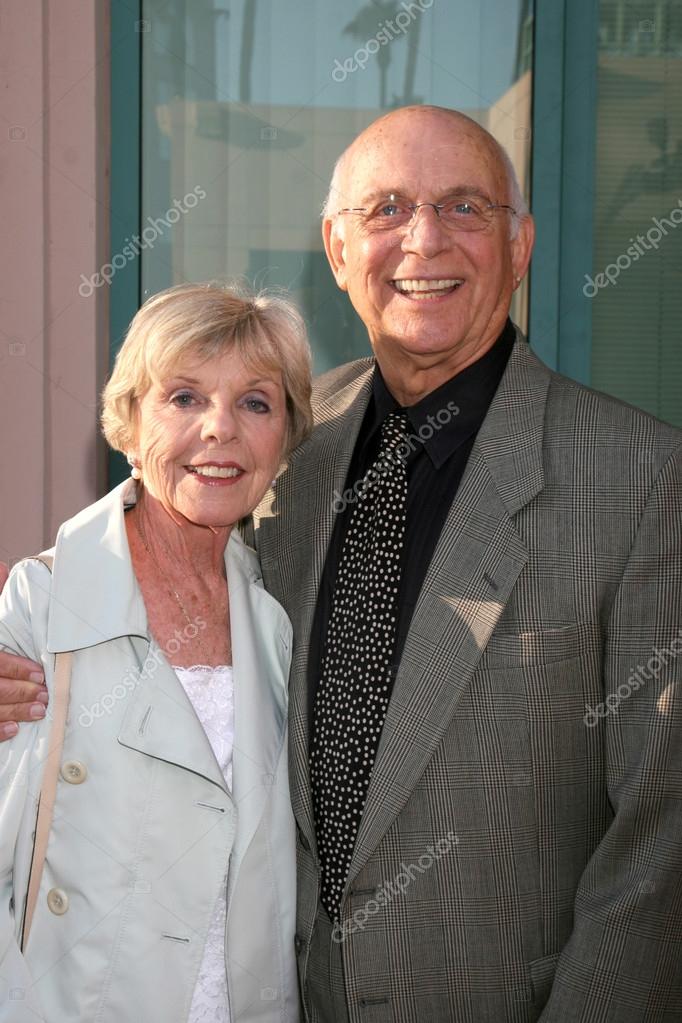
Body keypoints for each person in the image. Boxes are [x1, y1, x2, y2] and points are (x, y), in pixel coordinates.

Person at [2, 106, 682, 1022]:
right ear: (337, 246)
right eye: (389, 207)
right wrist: (29, 631)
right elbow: (162, 555)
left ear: (520, 247)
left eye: (465, 207)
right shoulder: (288, 443)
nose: (424, 239)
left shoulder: (638, 475)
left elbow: (661, 830)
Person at [0, 282, 312, 1021]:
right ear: (130, 423)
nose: (220, 430)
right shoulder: (43, 603)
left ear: (285, 438)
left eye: (255, 403)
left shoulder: (284, 609)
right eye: (184, 398)